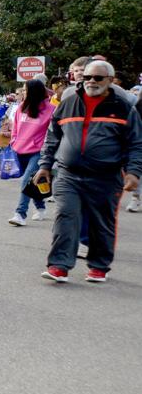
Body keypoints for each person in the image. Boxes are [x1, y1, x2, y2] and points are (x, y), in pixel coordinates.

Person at [35, 60, 142, 283]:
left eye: (98, 78)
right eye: (87, 78)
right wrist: (44, 165)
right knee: (66, 215)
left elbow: (136, 143)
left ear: (110, 81)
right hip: (67, 174)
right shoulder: (68, 103)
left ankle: (98, 266)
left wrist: (133, 172)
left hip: (106, 176)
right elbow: (53, 136)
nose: (91, 82)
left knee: (101, 222)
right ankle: (59, 266)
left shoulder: (123, 108)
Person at [8, 79, 54, 226]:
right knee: (33, 182)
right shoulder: (22, 107)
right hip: (19, 149)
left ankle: (20, 214)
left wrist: (45, 150)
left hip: (38, 152)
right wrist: (14, 141)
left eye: (25, 90)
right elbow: (15, 127)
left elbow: (53, 133)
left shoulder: (51, 109)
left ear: (33, 92)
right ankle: (40, 207)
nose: (23, 92)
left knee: (26, 180)